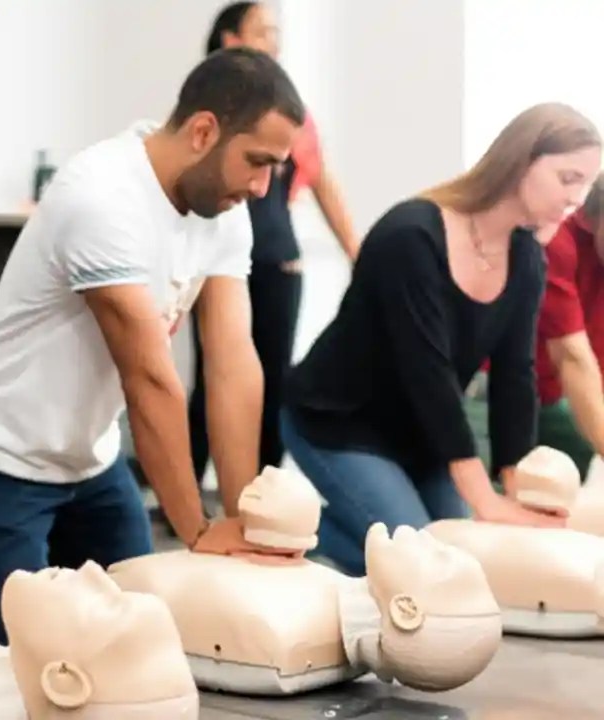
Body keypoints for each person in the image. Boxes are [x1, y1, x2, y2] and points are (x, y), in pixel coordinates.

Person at [0, 47, 307, 644]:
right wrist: (197, 529)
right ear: (203, 132)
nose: (263, 187)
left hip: (92, 460)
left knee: (136, 635)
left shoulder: (225, 213)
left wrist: (242, 521)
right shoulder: (102, 196)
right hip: (3, 456)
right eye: (257, 162)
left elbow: (234, 364)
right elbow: (149, 379)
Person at [280, 102, 601, 576]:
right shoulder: (411, 236)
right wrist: (483, 500)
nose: (576, 198)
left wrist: (514, 490)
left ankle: (354, 528)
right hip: (339, 422)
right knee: (426, 563)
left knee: (466, 559)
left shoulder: (526, 258)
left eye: (585, 184)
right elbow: (426, 371)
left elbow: (515, 375)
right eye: (567, 178)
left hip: (423, 437)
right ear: (521, 162)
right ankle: (292, 531)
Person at [182, 1, 360, 490]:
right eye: (263, 31)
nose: (274, 42)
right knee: (213, 377)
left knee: (273, 382)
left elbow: (322, 180)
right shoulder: (204, 109)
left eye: (277, 33)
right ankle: (185, 498)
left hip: (279, 262)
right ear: (230, 40)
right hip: (215, 265)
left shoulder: (290, 111)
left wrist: (356, 251)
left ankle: (264, 499)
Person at [470, 178, 604, 478]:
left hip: (549, 396)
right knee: (481, 491)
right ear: (592, 218)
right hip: (489, 387)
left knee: (577, 470)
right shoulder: (555, 241)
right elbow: (571, 357)